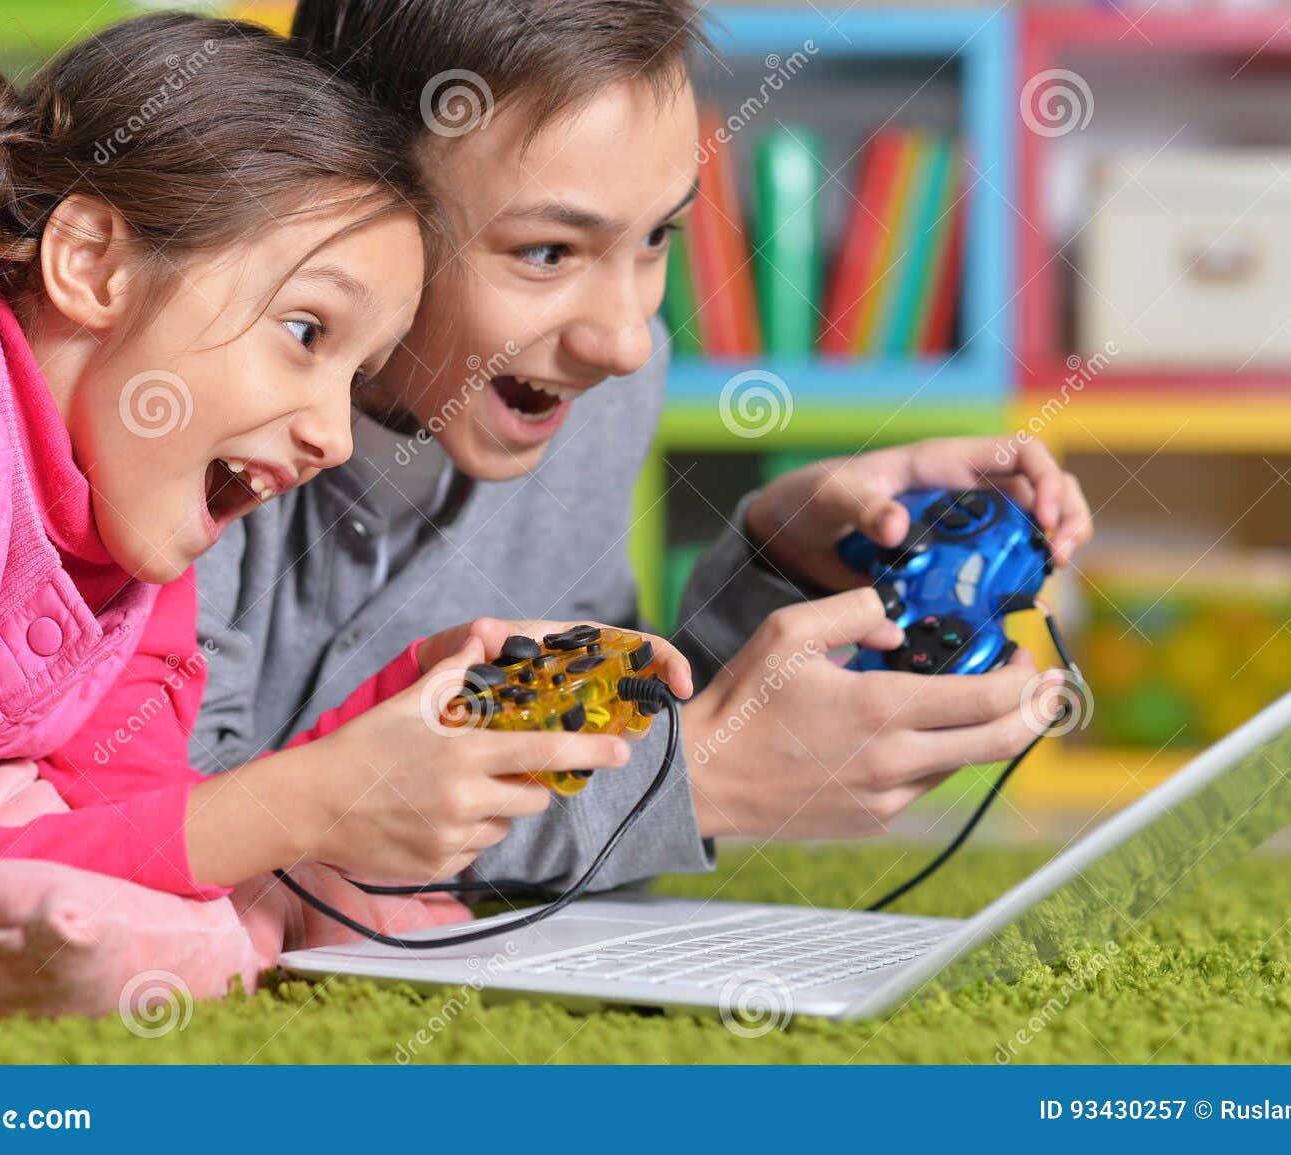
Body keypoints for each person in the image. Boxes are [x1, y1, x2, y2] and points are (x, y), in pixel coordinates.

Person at [187, 0, 1094, 891]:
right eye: (547, 252)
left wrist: (784, 558)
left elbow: (583, 727)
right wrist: (701, 779)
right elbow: (182, 824)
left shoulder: (600, 385)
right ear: (349, 206)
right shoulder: (202, 410)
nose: (625, 339)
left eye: (657, 235)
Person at [0, 12, 661, 913]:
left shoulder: (130, 518)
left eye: (358, 374)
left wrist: (390, 722)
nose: (333, 435)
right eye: (305, 332)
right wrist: (303, 804)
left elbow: (146, 822)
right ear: (94, 263)